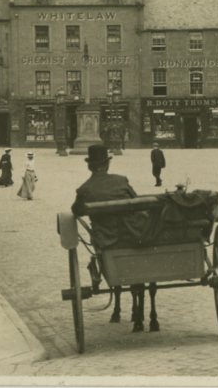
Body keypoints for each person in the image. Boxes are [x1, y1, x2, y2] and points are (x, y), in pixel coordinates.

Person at [71, 142, 155, 332]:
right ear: (107, 165)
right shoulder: (121, 181)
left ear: (90, 166)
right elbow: (137, 201)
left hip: (107, 240)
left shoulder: (85, 189)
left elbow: (76, 210)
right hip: (133, 235)